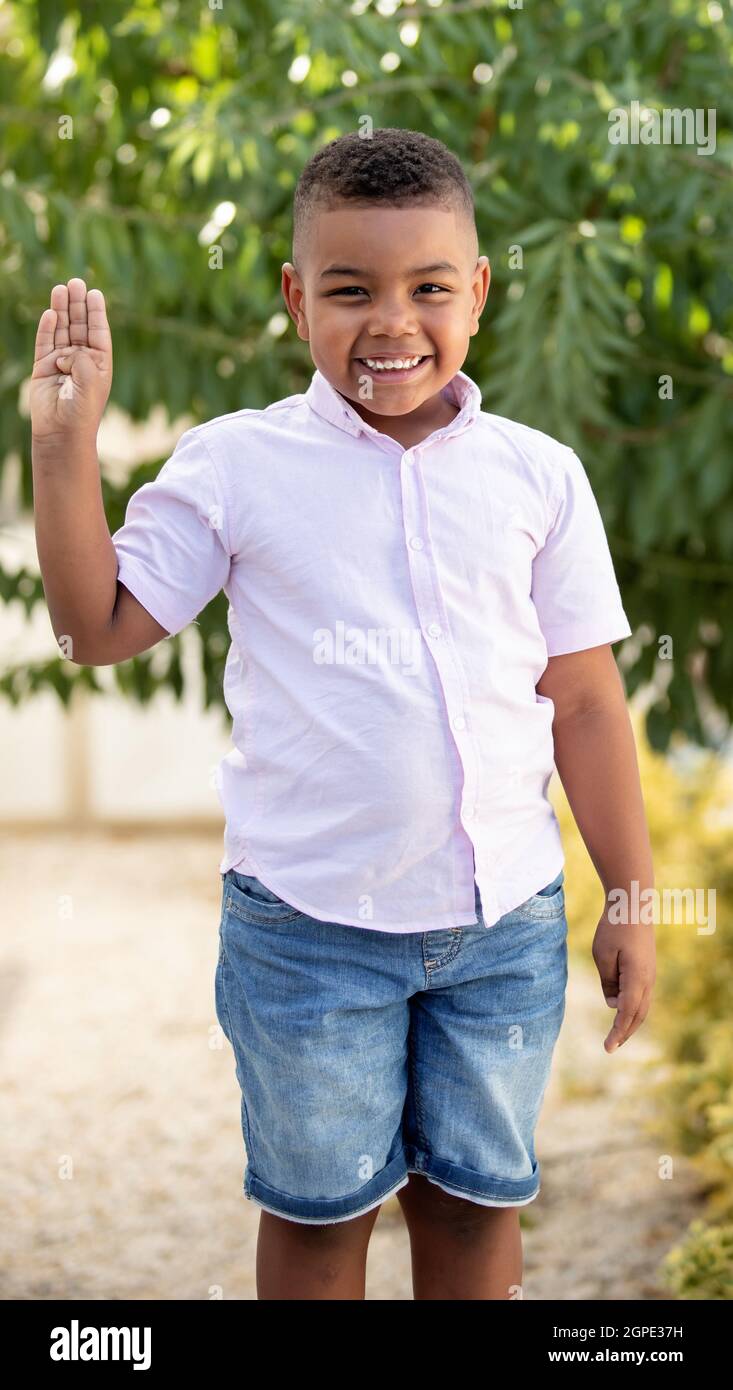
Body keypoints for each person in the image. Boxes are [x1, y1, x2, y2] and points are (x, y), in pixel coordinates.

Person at [30, 127, 655, 1300]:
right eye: (349, 290)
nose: (391, 323)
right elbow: (94, 628)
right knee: (320, 1221)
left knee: (476, 1207)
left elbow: (581, 700)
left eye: (428, 288)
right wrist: (65, 442)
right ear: (292, 297)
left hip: (501, 930)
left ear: (477, 291)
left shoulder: (538, 475)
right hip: (308, 936)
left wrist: (630, 893)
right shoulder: (235, 467)